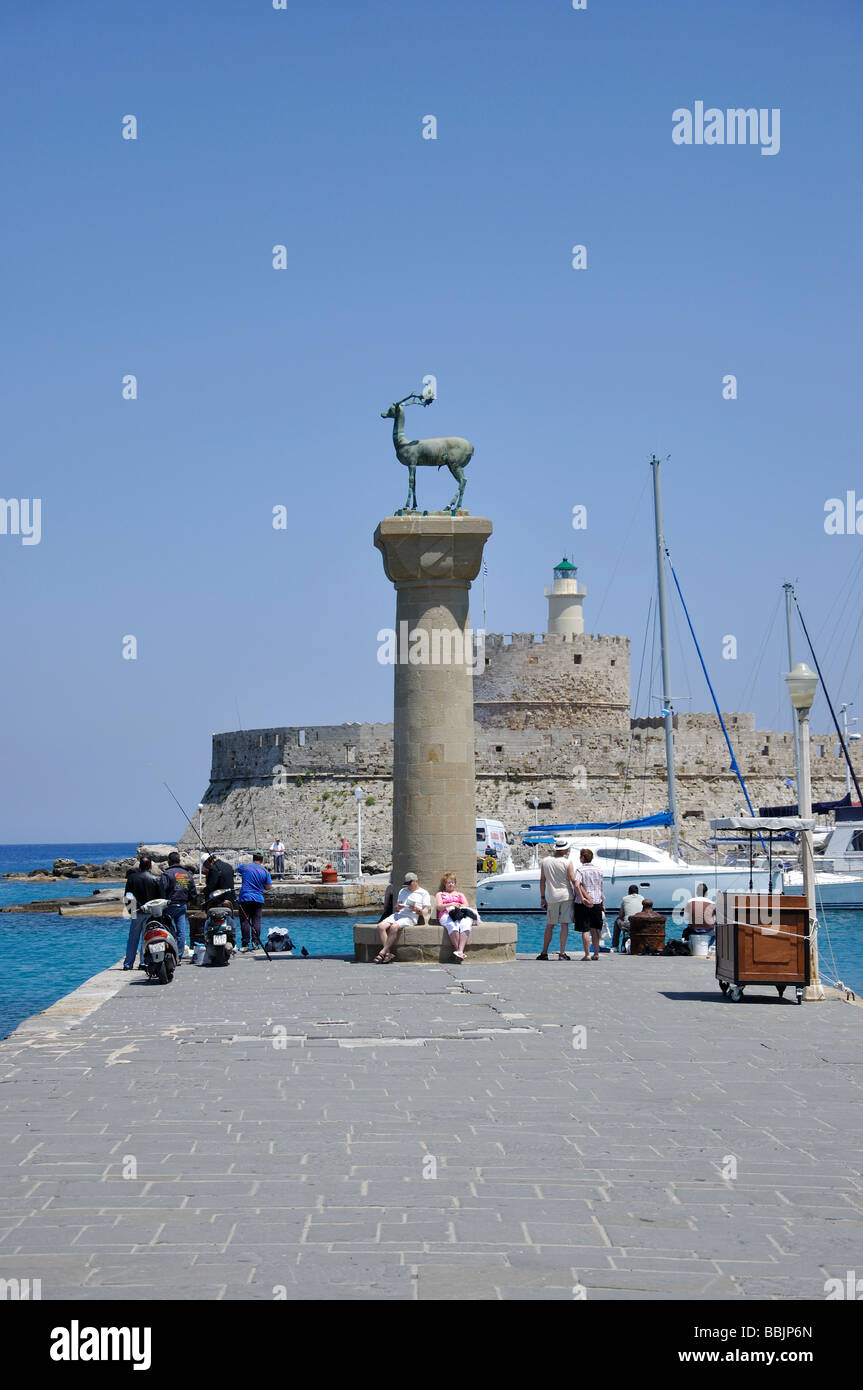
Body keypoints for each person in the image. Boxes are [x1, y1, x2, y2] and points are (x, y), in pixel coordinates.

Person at [123, 855, 168, 970]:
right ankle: (144, 962)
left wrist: (131, 911)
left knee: (133, 938)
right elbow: (161, 899)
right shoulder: (157, 878)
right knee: (147, 938)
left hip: (136, 912)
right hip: (151, 913)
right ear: (151, 866)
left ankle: (128, 963)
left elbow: (128, 896)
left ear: (139, 866)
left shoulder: (132, 878)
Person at [374, 872, 431, 963]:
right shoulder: (403, 891)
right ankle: (387, 953)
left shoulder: (423, 893)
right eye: (407, 884)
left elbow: (425, 911)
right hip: (398, 914)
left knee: (394, 927)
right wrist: (398, 907)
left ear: (416, 881)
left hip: (411, 916)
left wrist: (416, 910)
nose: (408, 886)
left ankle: (382, 952)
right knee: (381, 926)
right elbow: (396, 907)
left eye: (410, 884)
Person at [538, 836, 577, 960]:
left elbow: (542, 881)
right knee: (564, 925)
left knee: (550, 925)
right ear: (563, 850)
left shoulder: (545, 861)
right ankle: (562, 953)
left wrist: (543, 897)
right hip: (566, 895)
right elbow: (572, 879)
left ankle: (544, 952)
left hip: (552, 896)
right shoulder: (567, 862)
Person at [435, 871, 479, 962]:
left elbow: (466, 905)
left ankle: (459, 951)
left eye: (452, 882)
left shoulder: (460, 894)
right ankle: (459, 950)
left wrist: (459, 905)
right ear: (445, 883)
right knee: (452, 926)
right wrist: (450, 904)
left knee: (466, 924)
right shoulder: (440, 894)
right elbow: (439, 907)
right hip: (446, 914)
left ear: (455, 883)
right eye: (448, 882)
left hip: (460, 913)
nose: (451, 884)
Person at [162, 851, 198, 963]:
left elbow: (162, 889)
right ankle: (179, 956)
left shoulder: (167, 874)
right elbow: (193, 891)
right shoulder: (187, 874)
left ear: (169, 861)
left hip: (169, 904)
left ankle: (167, 953)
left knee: (166, 929)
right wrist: (189, 900)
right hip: (182, 905)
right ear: (179, 861)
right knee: (181, 931)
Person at [574, 846, 605, 961]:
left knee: (585, 929)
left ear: (582, 858)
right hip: (597, 901)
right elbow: (601, 887)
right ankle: (596, 953)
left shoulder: (580, 870)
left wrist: (582, 898)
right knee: (595, 929)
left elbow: (577, 884)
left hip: (584, 904)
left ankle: (587, 954)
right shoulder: (598, 870)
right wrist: (603, 903)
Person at [236, 852, 272, 950]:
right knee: (257, 921)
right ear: (262, 859)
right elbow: (268, 887)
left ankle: (245, 944)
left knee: (245, 921)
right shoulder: (265, 871)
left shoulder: (245, 866)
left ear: (253, 858)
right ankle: (255, 943)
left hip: (245, 898)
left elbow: (237, 869)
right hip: (258, 899)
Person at [201, 853, 238, 944]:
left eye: (205, 865)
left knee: (210, 920)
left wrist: (204, 890)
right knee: (229, 919)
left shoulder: (213, 869)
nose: (206, 868)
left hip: (217, 901)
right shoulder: (228, 866)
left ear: (207, 862)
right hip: (230, 900)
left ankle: (210, 939)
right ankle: (231, 938)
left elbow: (211, 887)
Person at [613, 884, 644, 953]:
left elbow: (620, 915)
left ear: (628, 892)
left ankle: (615, 946)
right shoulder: (642, 898)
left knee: (617, 920)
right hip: (640, 925)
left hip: (629, 925)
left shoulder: (625, 899)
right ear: (638, 892)